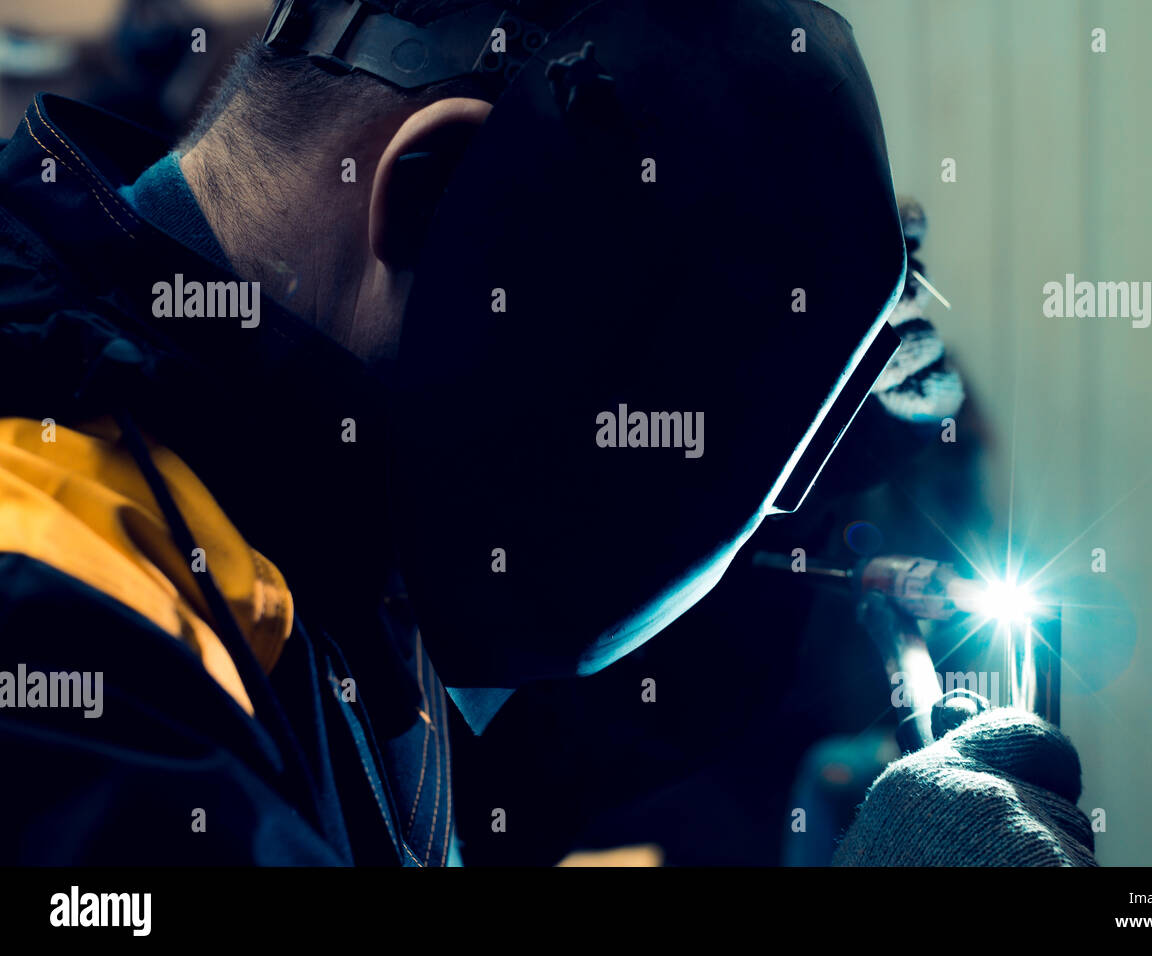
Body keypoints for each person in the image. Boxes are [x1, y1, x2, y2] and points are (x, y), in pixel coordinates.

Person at [0, 0, 1092, 866]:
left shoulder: (295, 468)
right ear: (432, 200)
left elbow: (512, 751)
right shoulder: (55, 604)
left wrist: (825, 461)